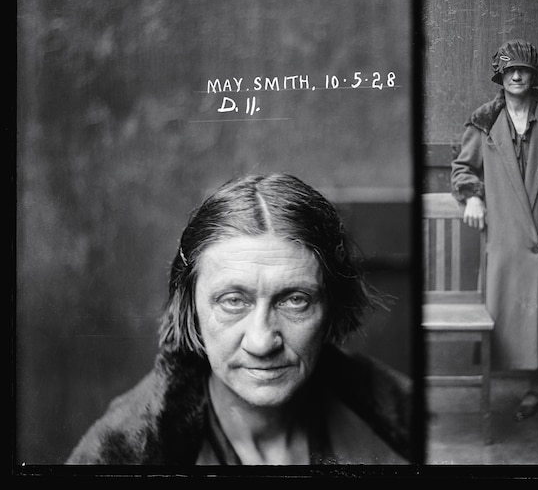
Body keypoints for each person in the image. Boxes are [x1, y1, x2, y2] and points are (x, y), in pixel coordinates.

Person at [67, 173, 413, 465]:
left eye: (295, 300)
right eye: (233, 301)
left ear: (331, 308)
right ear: (191, 309)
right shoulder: (120, 454)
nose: (262, 342)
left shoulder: (400, 417)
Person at [451, 39, 538, 436]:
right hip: (507, 236)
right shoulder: (483, 121)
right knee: (521, 314)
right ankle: (531, 390)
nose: (516, 75)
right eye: (509, 70)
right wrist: (473, 197)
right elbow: (462, 169)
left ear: (533, 75)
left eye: (523, 70)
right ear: (500, 76)